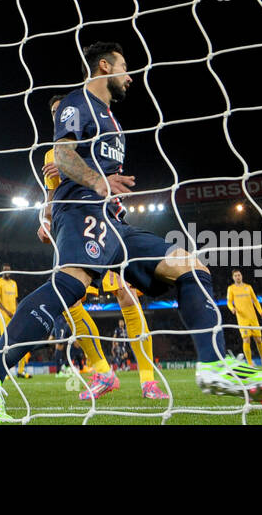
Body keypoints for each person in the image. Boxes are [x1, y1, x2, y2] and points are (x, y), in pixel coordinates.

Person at [0, 41, 262, 422]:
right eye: (125, 67)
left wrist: (105, 189)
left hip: (114, 222)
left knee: (191, 266)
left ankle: (214, 365)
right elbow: (63, 155)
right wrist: (95, 184)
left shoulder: (112, 121)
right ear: (104, 66)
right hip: (82, 208)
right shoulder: (75, 102)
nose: (131, 77)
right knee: (72, 285)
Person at [39, 94, 166, 401]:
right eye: (56, 113)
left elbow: (108, 174)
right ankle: (102, 371)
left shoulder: (95, 135)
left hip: (105, 217)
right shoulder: (50, 155)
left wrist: (73, 166)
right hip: (73, 225)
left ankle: (148, 380)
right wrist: (44, 218)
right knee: (67, 298)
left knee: (125, 294)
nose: (62, 116)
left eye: (64, 110)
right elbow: (51, 196)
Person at [0, 265, 31, 379]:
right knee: (6, 344)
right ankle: (4, 371)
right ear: (2, 271)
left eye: (9, 270)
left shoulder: (14, 283)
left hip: (14, 316)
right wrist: (7, 312)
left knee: (21, 340)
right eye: (5, 270)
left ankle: (21, 371)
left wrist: (19, 311)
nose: (7, 272)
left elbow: (15, 300)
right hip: (4, 317)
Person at [227, 270, 262, 368]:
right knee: (246, 340)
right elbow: (229, 302)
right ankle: (250, 363)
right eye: (235, 275)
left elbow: (255, 300)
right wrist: (232, 308)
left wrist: (260, 311)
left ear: (242, 276)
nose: (238, 277)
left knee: (258, 339)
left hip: (253, 318)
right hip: (242, 319)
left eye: (239, 275)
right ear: (233, 277)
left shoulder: (248, 287)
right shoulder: (231, 288)